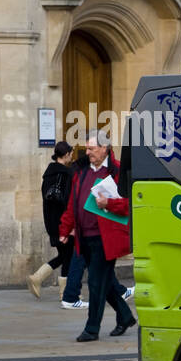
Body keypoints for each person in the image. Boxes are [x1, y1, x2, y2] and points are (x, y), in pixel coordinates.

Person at [58, 131, 137, 342]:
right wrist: (65, 230)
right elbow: (73, 204)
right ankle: (126, 316)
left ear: (105, 148)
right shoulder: (81, 172)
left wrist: (108, 204)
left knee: (95, 281)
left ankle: (92, 329)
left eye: (92, 148)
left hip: (106, 238)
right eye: (87, 149)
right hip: (85, 236)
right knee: (105, 281)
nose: (89, 152)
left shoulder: (118, 170)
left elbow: (130, 205)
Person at [28, 141, 75, 298]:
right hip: (62, 223)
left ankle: (38, 278)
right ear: (66, 155)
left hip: (51, 222)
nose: (72, 157)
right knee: (68, 255)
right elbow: (65, 200)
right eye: (71, 154)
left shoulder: (48, 175)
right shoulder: (64, 174)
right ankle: (64, 293)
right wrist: (69, 224)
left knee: (65, 255)